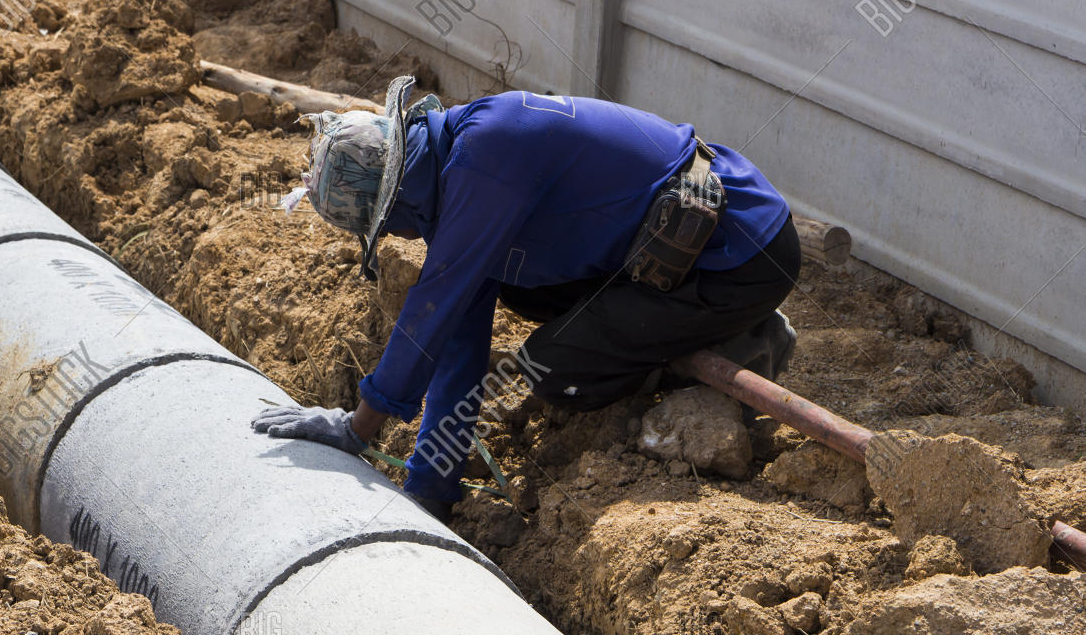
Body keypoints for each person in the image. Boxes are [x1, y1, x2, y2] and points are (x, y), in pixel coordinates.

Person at [251, 76, 800, 522]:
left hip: (740, 253)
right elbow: (457, 334)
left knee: (553, 368)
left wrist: (355, 429)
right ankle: (677, 327)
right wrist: (430, 487)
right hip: (669, 247)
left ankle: (739, 338)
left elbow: (431, 313)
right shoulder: (460, 151)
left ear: (397, 198)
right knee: (517, 284)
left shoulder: (486, 158)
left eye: (385, 224)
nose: (396, 235)